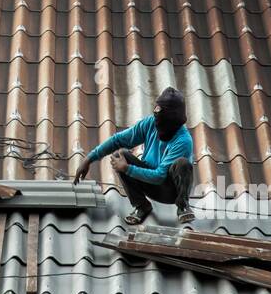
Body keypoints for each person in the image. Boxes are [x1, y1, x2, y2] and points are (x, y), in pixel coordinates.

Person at [73, 87, 195, 225]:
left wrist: (127, 169)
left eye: (162, 123)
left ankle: (183, 206)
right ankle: (142, 205)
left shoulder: (183, 141)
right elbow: (117, 140)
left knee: (183, 164)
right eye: (156, 120)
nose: (157, 125)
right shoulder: (150, 123)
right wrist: (89, 159)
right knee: (120, 155)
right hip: (148, 183)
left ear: (174, 123)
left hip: (171, 190)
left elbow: (160, 176)